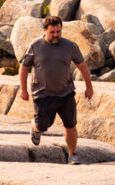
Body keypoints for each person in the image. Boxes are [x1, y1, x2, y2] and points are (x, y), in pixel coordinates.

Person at [19, 15, 94, 165]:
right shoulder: (35, 46)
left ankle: (73, 155)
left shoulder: (70, 46)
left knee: (70, 125)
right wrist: (23, 89)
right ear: (45, 30)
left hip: (66, 93)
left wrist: (89, 87)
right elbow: (24, 67)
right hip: (42, 95)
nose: (56, 35)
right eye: (52, 32)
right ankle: (36, 128)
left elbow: (82, 66)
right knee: (43, 125)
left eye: (58, 31)